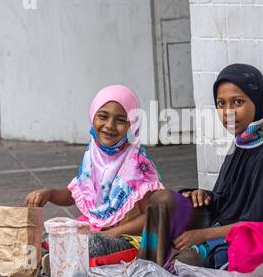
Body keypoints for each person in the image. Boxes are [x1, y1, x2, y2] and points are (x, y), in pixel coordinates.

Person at [142, 64, 263, 268]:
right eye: (221, 104)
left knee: (187, 260)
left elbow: (261, 224)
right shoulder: (244, 140)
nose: (228, 113)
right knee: (162, 200)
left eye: (238, 102)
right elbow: (228, 203)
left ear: (258, 101)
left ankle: (168, 258)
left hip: (251, 239)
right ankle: (148, 264)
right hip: (222, 225)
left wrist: (202, 235)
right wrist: (205, 196)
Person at [24, 85, 164, 261]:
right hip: (93, 229)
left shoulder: (136, 163)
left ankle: (59, 258)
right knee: (48, 230)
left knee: (94, 245)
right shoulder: (93, 154)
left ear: (131, 124)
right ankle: (60, 256)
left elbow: (152, 216)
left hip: (126, 238)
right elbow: (79, 193)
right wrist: (49, 193)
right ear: (93, 116)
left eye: (120, 120)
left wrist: (112, 233)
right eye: (103, 117)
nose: (109, 126)